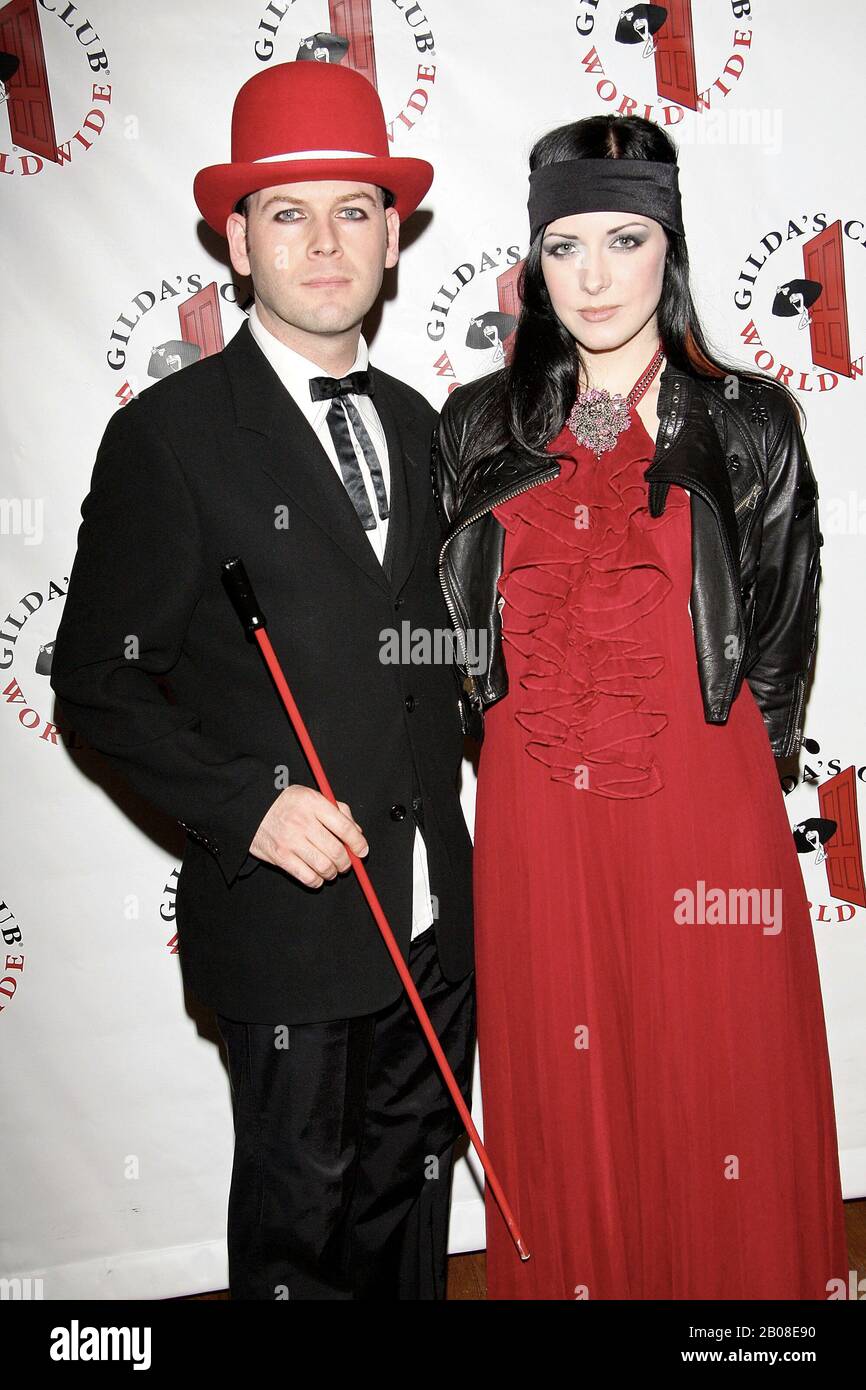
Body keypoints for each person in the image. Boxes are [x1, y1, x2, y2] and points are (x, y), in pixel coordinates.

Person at [50, 60, 475, 1301]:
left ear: (394, 238)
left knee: (409, 1217)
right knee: (302, 1235)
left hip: (434, 922)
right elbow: (97, 683)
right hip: (290, 926)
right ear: (236, 243)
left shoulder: (422, 422)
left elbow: (418, 645)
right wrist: (246, 802)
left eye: (352, 208)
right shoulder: (167, 437)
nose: (324, 241)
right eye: (286, 213)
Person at [433, 112, 849, 1300]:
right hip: (538, 833)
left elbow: (777, 646)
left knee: (720, 1090)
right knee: (571, 1105)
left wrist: (721, 801)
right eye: (564, 246)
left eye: (625, 238)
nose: (596, 275)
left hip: (706, 822)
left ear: (669, 244)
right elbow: (454, 645)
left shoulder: (751, 419)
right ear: (532, 262)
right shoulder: (474, 427)